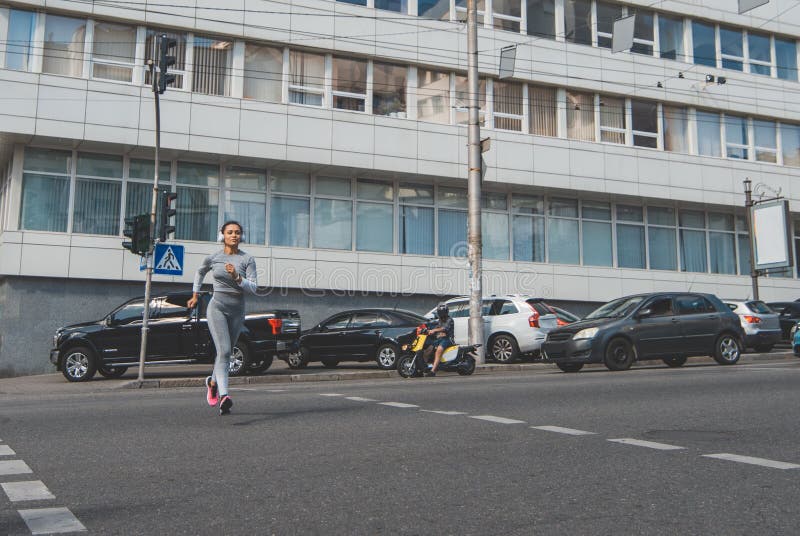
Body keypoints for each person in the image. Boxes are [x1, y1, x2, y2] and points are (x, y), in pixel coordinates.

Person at [187, 221, 259, 415]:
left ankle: (212, 382)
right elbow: (200, 272)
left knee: (224, 354)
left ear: (241, 236)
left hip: (237, 310)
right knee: (225, 351)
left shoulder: (248, 260)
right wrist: (195, 295)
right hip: (217, 307)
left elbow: (253, 288)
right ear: (223, 235)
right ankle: (225, 395)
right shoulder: (214, 258)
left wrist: (237, 277)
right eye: (230, 232)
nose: (234, 235)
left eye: (237, 233)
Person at [425, 304, 454, 377]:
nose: (441, 314)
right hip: (440, 339)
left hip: (448, 339)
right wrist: (427, 329)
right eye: (440, 312)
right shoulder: (439, 320)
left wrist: (434, 330)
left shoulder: (450, 320)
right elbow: (435, 326)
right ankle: (424, 368)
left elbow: (445, 328)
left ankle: (433, 371)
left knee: (439, 350)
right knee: (428, 349)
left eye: (442, 312)